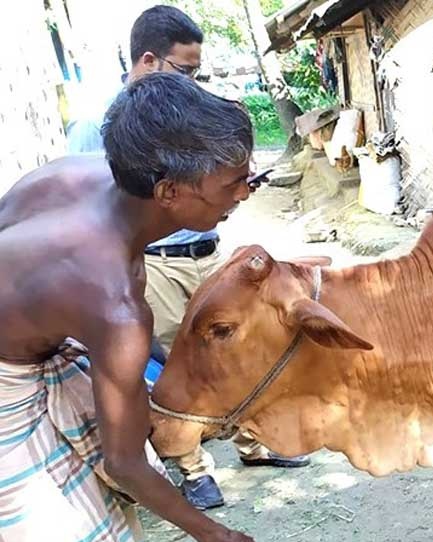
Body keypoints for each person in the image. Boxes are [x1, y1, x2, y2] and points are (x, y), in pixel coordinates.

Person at [0, 72, 262, 542]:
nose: (243, 193)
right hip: (9, 404)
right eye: (234, 183)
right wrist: (214, 537)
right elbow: (125, 465)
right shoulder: (113, 301)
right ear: (169, 191)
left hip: (33, 353)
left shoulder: (80, 176)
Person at [66, 5, 309, 512]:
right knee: (173, 366)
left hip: (202, 253)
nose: (195, 82)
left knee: (231, 352)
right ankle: (193, 466)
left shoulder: (189, 115)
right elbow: (97, 206)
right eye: (186, 70)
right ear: (150, 61)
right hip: (155, 261)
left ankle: (253, 441)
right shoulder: (99, 126)